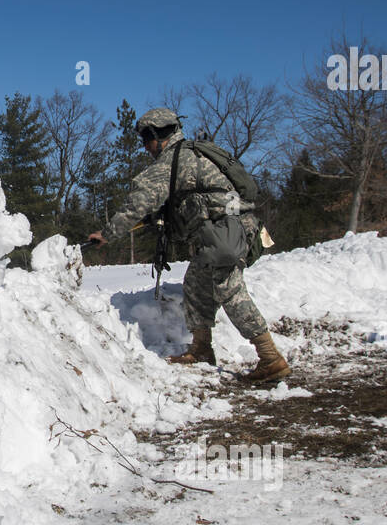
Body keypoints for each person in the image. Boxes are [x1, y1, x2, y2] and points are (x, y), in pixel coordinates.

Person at [87, 108, 290, 382]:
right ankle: (201, 348)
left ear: (158, 135)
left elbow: (138, 203)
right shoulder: (197, 152)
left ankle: (270, 357)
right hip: (233, 228)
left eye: (146, 140)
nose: (146, 147)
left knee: (230, 291)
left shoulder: (171, 162)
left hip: (224, 232)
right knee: (195, 284)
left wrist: (108, 233)